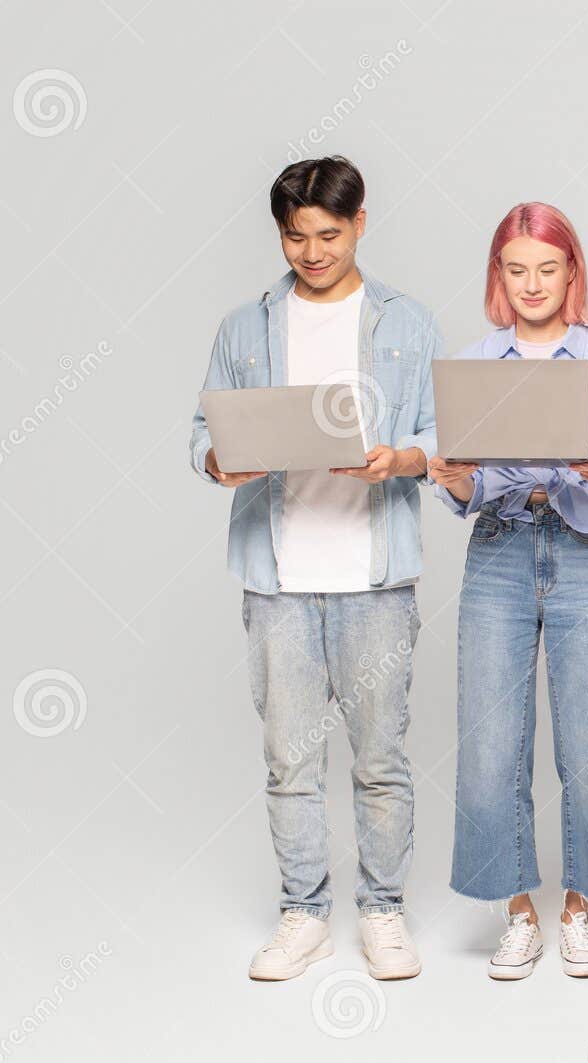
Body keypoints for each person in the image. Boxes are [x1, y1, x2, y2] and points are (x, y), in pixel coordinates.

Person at [189, 156, 439, 982]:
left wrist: (401, 457)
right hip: (279, 577)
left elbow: (445, 434)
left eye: (329, 234)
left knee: (380, 757)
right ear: (281, 235)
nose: (312, 252)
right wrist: (221, 462)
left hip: (375, 575)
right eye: (296, 237)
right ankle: (303, 914)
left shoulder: (408, 322)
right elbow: (204, 434)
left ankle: (383, 912)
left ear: (360, 222)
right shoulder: (244, 327)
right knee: (290, 760)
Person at [429, 202, 588, 981]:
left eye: (548, 269)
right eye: (516, 269)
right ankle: (518, 913)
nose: (532, 284)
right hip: (497, 549)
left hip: (582, 548)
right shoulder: (473, 363)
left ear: (572, 273)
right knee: (492, 748)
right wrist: (457, 480)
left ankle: (579, 911)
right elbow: (457, 480)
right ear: (500, 276)